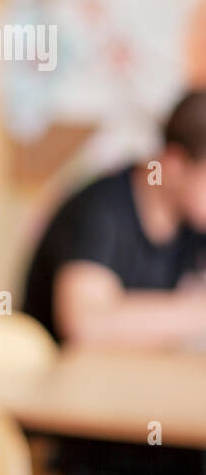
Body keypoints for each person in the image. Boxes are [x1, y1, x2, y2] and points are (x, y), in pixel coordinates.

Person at [22, 89, 206, 349]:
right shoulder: (100, 209)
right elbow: (86, 324)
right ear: (175, 165)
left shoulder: (192, 223)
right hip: (61, 381)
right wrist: (198, 314)